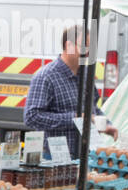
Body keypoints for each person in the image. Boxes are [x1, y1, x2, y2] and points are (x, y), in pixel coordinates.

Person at [24, 26, 119, 161]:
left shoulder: (87, 74)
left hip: (88, 154)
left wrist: (106, 125)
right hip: (56, 157)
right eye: (84, 47)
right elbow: (32, 117)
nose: (88, 53)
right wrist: (76, 118)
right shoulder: (46, 77)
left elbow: (93, 108)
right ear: (68, 45)